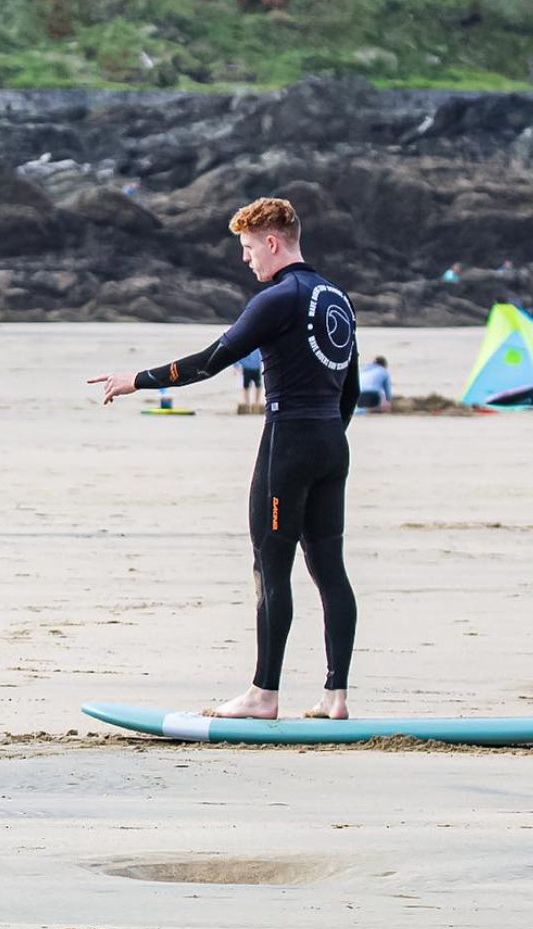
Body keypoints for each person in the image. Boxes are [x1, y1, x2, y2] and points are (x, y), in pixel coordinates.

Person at [88, 197, 360, 720]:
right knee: (330, 569)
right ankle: (335, 695)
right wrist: (328, 439)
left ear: (273, 242)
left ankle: (263, 694)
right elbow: (350, 387)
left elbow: (212, 361)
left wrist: (135, 380)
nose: (245, 259)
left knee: (270, 564)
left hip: (290, 444)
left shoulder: (278, 298)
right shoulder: (336, 297)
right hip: (332, 443)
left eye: (248, 247)